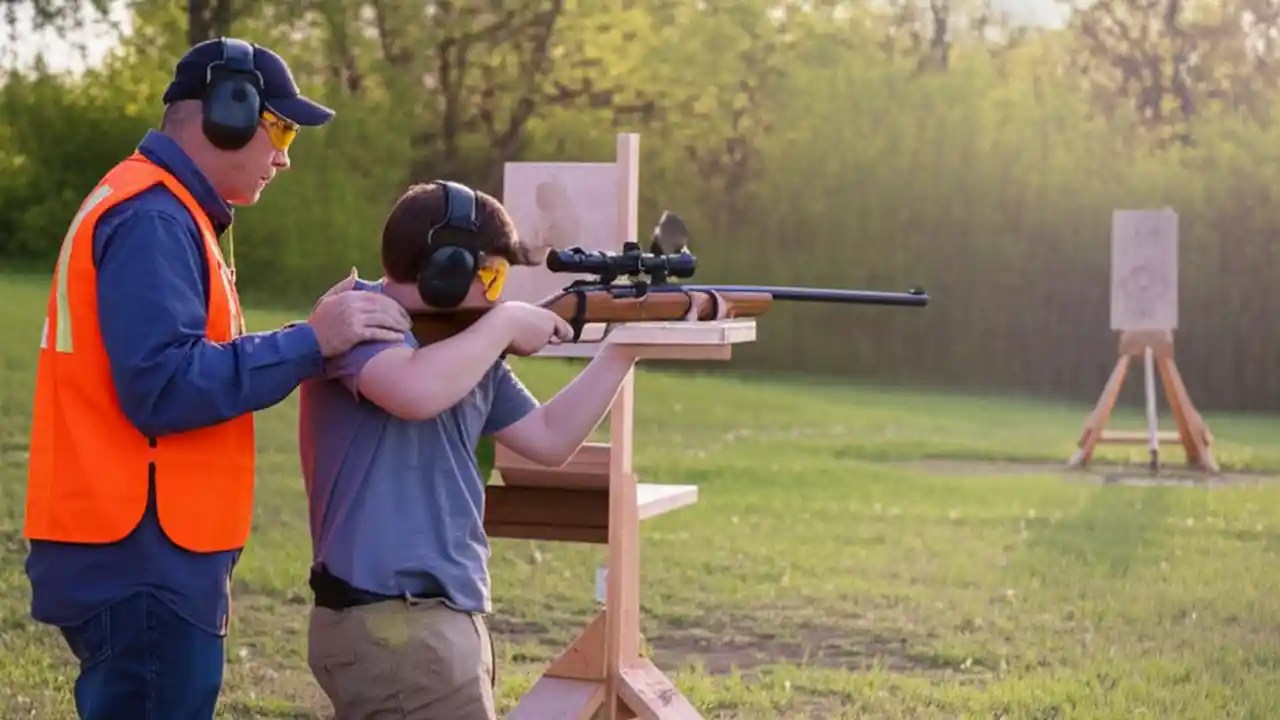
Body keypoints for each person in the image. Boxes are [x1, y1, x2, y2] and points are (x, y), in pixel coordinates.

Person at [22, 37, 411, 719]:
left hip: (143, 551)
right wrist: (311, 343)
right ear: (229, 111)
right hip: (142, 557)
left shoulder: (167, 212)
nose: (285, 155)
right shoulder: (152, 217)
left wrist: (306, 340)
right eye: (280, 127)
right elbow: (164, 386)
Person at [298, 180, 637, 719]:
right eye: (494, 275)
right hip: (396, 625)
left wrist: (623, 351)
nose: (500, 295)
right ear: (448, 268)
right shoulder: (357, 321)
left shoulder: (463, 347)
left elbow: (549, 439)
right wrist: (504, 324)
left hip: (435, 623)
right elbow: (414, 391)